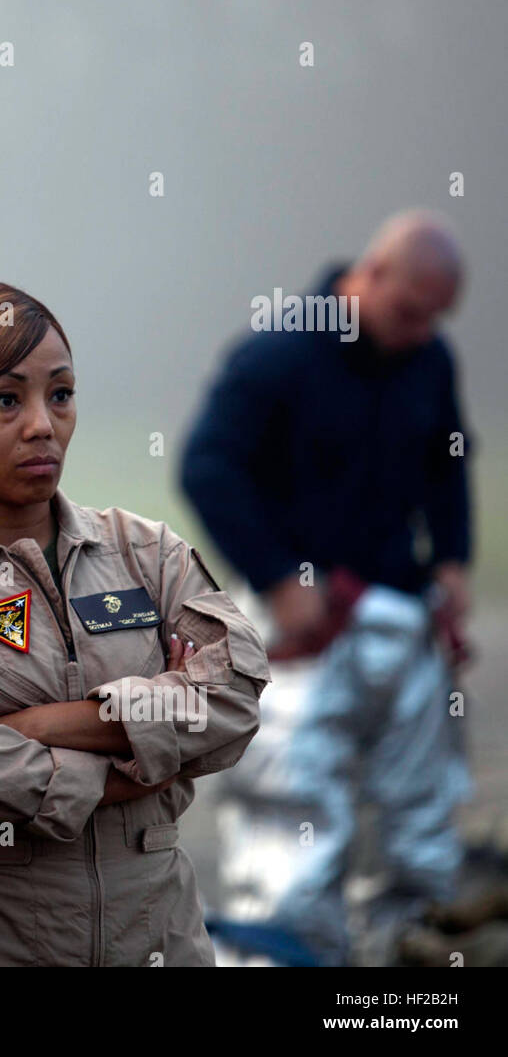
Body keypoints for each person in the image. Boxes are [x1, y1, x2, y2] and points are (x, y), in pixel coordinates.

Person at [0, 281, 270, 966]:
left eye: (60, 394)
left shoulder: (145, 552)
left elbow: (237, 694)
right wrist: (148, 764)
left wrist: (35, 728)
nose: (42, 424)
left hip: (159, 930)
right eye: (7, 399)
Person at [180, 209, 475, 966]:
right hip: (299, 631)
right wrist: (279, 577)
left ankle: (403, 980)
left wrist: (453, 564)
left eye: (434, 318)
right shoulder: (276, 356)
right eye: (411, 312)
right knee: (290, 819)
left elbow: (448, 466)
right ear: (370, 275)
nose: (419, 332)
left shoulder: (428, 360)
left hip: (402, 621)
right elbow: (207, 466)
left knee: (419, 824)